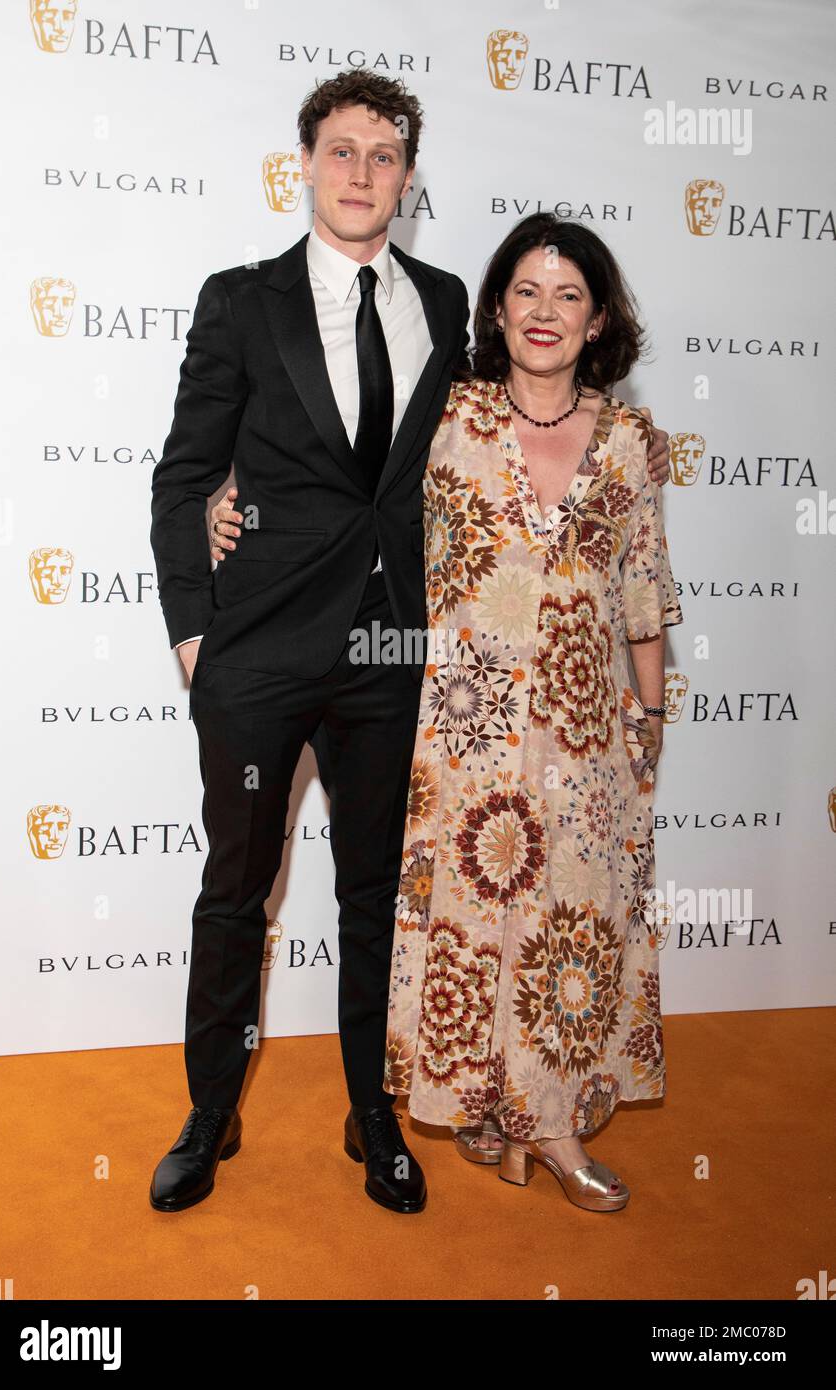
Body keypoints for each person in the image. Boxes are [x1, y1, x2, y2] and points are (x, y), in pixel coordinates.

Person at [153, 69, 671, 1216]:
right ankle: (208, 1111)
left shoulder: (445, 305)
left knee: (375, 891)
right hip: (254, 652)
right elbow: (185, 474)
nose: (360, 174)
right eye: (340, 152)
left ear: (407, 176)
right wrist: (195, 630)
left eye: (382, 157)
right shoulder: (239, 300)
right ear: (305, 165)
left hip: (395, 659)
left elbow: (508, 449)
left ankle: (374, 1114)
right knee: (237, 891)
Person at [381, 211, 682, 1211]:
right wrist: (231, 494)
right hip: (463, 733)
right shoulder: (449, 418)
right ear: (497, 308)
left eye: (567, 295)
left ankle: (549, 1125)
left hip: (586, 735)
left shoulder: (632, 442)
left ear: (597, 321)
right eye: (525, 290)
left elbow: (642, 592)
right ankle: (485, 1101)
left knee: (568, 923)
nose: (543, 311)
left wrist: (647, 725)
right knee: (471, 922)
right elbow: (342, 485)